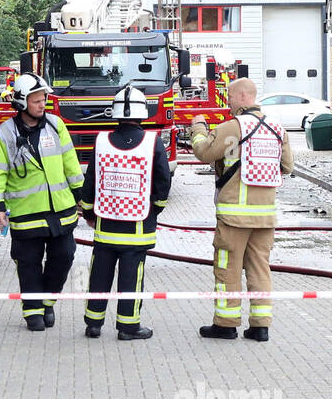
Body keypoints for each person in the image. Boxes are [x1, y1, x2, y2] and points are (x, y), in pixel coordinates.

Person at [189, 77, 293, 341]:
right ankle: (260, 326)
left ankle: (225, 323)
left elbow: (203, 152)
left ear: (244, 97)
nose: (229, 102)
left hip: (235, 214)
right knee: (260, 268)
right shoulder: (277, 129)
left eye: (231, 97)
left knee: (228, 268)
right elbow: (287, 167)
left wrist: (198, 126)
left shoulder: (232, 127)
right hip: (265, 215)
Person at [0, 72, 83, 331]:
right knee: (28, 263)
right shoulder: (5, 133)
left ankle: (47, 301)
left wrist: (81, 195)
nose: (43, 104)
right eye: (37, 100)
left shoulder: (55, 125)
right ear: (21, 102)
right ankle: (33, 313)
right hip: (26, 214)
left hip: (60, 210)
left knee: (64, 256)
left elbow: (70, 162)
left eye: (44, 99)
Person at [79, 86, 171, 340]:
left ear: (115, 113)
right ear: (143, 114)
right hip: (138, 227)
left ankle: (94, 324)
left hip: (106, 225)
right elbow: (163, 182)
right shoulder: (153, 142)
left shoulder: (101, 141)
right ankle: (128, 327)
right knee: (132, 277)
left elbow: (91, 181)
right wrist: (156, 209)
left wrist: (88, 211)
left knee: (99, 274)